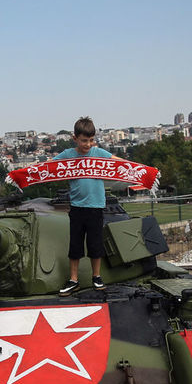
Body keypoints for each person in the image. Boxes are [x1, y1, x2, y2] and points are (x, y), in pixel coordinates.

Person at [54, 116, 112, 296]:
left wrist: (144, 172)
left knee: (95, 244)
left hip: (96, 207)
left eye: (91, 140)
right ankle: (74, 280)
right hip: (77, 207)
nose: (88, 144)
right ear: (75, 139)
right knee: (75, 245)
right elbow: (48, 167)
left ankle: (97, 276)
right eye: (84, 140)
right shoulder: (68, 155)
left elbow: (118, 163)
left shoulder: (99, 153)